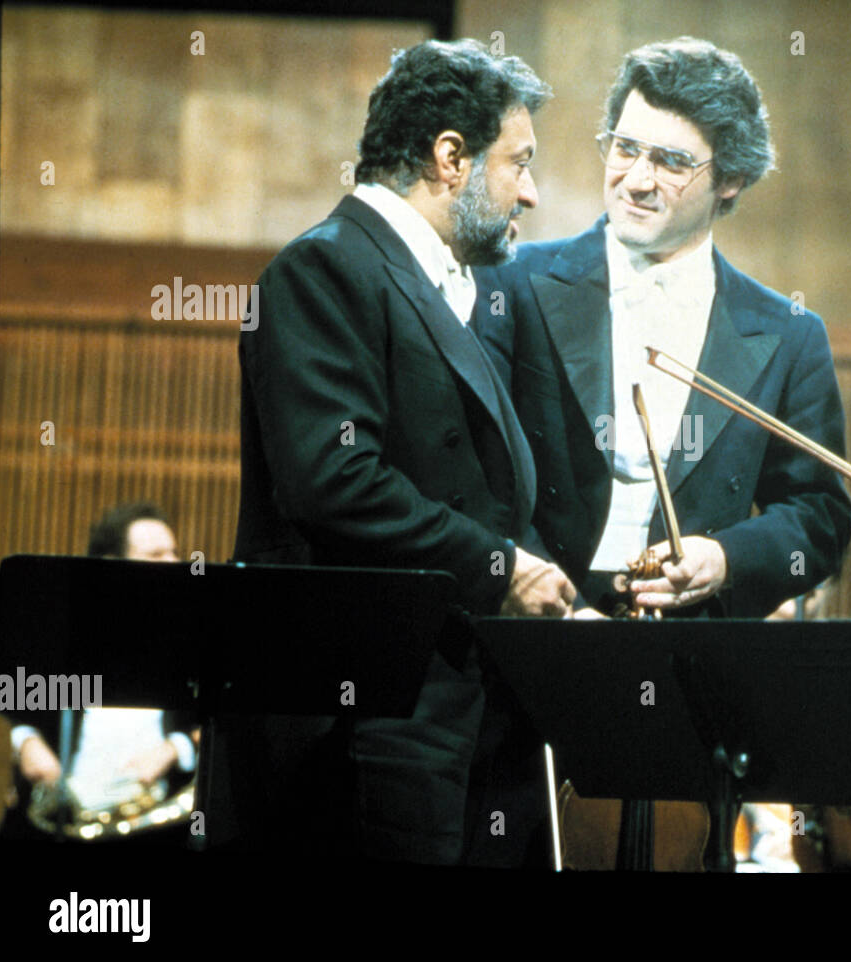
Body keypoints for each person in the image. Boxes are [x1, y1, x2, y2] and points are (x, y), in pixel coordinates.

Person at [214, 39, 574, 864]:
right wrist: (503, 568)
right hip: (353, 738)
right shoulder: (323, 267)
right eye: (519, 162)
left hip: (438, 727)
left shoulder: (456, 292)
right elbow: (333, 480)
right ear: (451, 157)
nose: (533, 191)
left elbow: (484, 500)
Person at [476, 36, 851, 620]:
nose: (637, 179)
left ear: (729, 179)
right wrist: (545, 591)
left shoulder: (789, 333)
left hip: (692, 641)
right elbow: (473, 471)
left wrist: (726, 558)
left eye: (672, 162)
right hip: (534, 623)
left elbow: (819, 514)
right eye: (625, 149)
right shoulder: (512, 283)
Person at [5, 502, 198, 843]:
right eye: (156, 554)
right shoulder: (67, 634)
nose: (174, 564)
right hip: (62, 827)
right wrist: (28, 741)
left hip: (156, 829)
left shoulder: (192, 639)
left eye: (175, 553)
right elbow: (18, 695)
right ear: (113, 566)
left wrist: (173, 748)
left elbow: (218, 719)